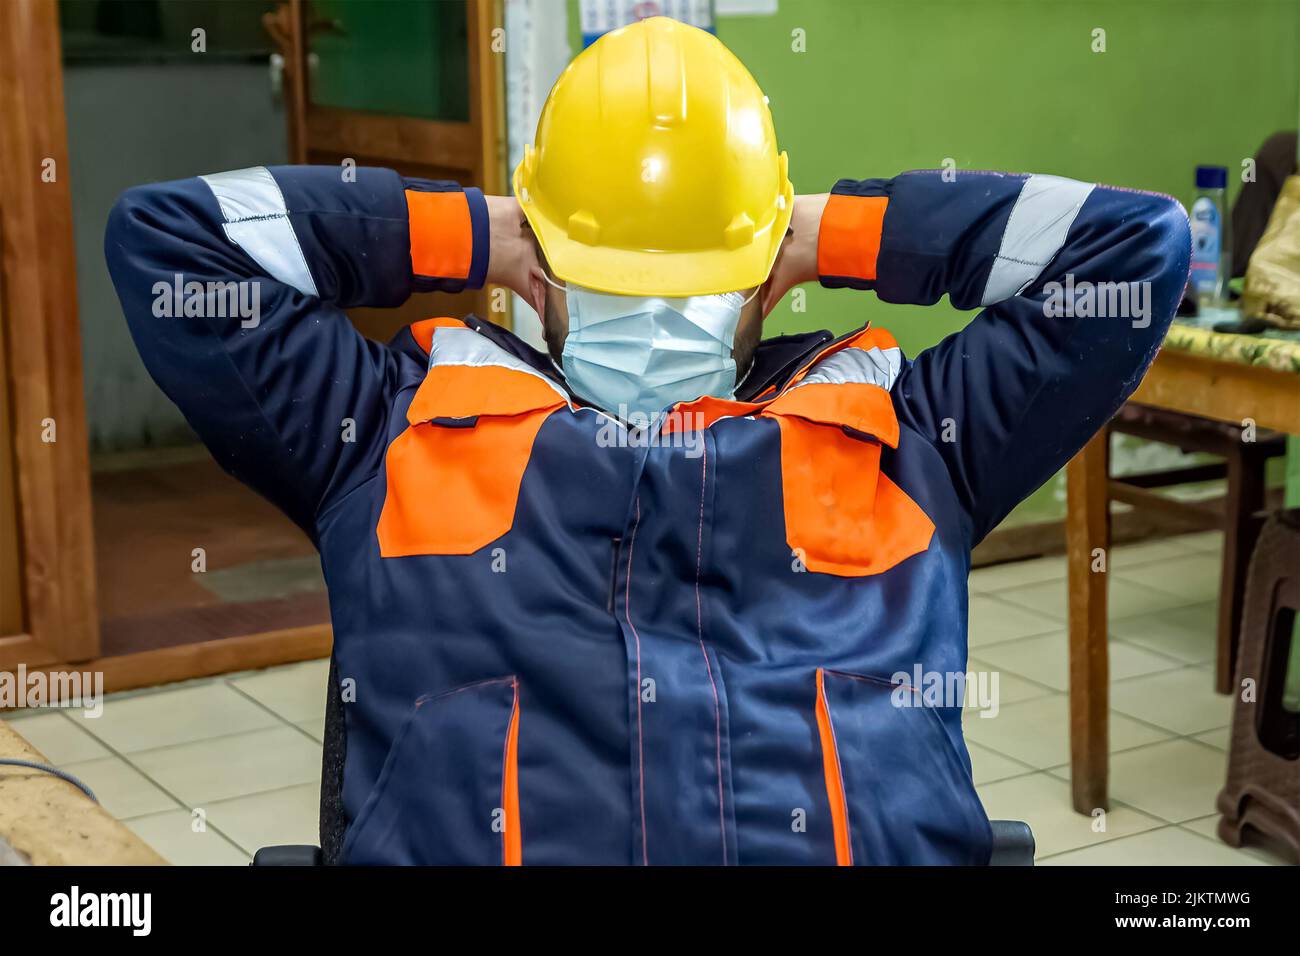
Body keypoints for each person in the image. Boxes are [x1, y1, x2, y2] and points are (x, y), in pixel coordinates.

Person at [106, 17, 1189, 865]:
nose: (661, 319)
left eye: (699, 282)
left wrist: (824, 228)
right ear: (538, 271)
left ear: (773, 267)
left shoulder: (914, 439)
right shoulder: (385, 434)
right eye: (620, 279)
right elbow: (167, 247)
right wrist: (480, 231)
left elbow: (1134, 251)